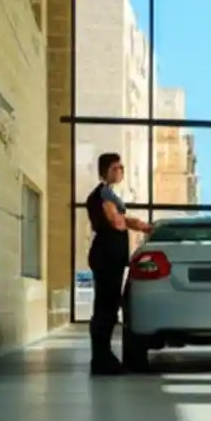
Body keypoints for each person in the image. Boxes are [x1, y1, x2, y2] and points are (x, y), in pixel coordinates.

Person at [85, 152, 149, 375]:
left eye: (121, 167)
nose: (119, 171)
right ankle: (101, 359)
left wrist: (140, 225)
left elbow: (122, 219)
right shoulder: (103, 193)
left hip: (110, 257)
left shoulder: (110, 194)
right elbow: (114, 219)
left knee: (109, 307)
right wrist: (125, 222)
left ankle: (103, 356)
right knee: (105, 308)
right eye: (115, 168)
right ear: (104, 171)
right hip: (106, 257)